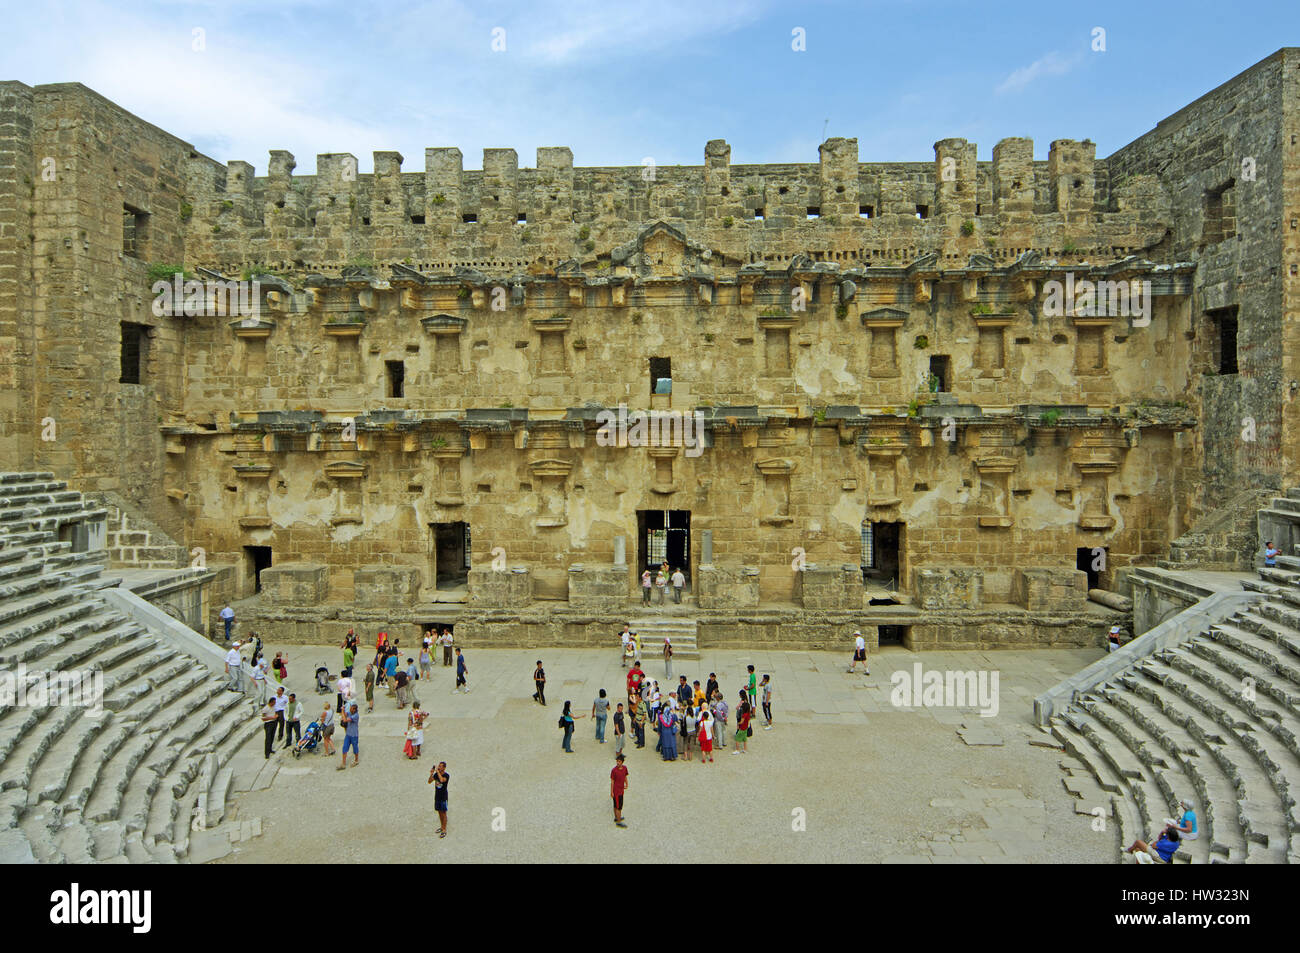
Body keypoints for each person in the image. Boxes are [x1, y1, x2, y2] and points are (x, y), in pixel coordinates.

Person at [428, 761, 450, 838]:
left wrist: (437, 772)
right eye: (439, 766)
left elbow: (441, 780)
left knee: (443, 813)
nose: (439, 767)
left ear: (444, 768)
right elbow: (429, 781)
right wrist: (431, 773)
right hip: (437, 796)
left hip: (443, 797)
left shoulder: (446, 775)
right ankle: (442, 827)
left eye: (441, 766)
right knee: (439, 812)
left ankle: (444, 829)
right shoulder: (436, 775)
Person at [338, 701, 360, 769]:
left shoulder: (356, 716)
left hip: (354, 735)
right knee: (344, 748)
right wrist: (343, 710)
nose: (350, 709)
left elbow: (345, 720)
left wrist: (342, 712)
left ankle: (356, 760)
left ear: (354, 710)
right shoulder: (350, 713)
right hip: (348, 734)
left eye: (351, 709)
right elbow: (344, 714)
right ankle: (343, 763)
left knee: (355, 748)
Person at [610, 752, 629, 828]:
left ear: (622, 762)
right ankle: (618, 821)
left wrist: (626, 784)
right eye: (617, 761)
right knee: (619, 807)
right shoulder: (614, 770)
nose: (617, 763)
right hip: (617, 792)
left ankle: (617, 817)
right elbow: (612, 782)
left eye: (619, 761)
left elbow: (625, 776)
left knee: (616, 805)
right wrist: (611, 792)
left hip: (621, 790)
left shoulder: (624, 768)